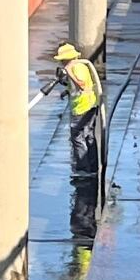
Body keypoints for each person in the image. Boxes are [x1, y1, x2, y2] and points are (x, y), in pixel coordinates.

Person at [53, 42, 102, 179]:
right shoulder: (82, 66)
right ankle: (92, 167)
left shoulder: (75, 68)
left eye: (63, 60)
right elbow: (74, 86)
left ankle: (83, 168)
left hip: (82, 108)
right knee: (89, 136)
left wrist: (69, 72)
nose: (62, 63)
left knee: (77, 137)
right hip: (91, 105)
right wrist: (66, 91)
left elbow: (81, 84)